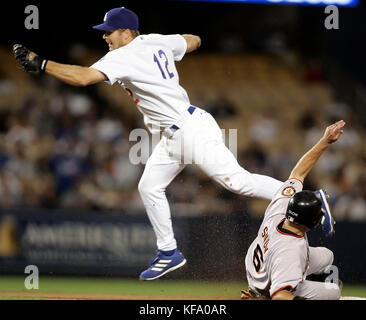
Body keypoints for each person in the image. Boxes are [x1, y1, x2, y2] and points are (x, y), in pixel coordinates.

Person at [12, 7, 333, 281]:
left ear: (125, 31)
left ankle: (309, 199)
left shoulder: (124, 55)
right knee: (149, 186)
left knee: (237, 181)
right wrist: (177, 45)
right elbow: (193, 41)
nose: (104, 37)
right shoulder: (153, 42)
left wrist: (42, 64)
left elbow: (83, 78)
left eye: (109, 32)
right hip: (174, 134)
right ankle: (168, 251)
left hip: (189, 130)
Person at [242, 120, 345, 300]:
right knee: (334, 292)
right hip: (265, 285)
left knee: (328, 256)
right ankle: (259, 296)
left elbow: (298, 173)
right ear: (310, 223)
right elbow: (280, 295)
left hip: (259, 263)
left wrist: (325, 141)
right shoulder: (290, 250)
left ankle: (296, 277)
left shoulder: (281, 207)